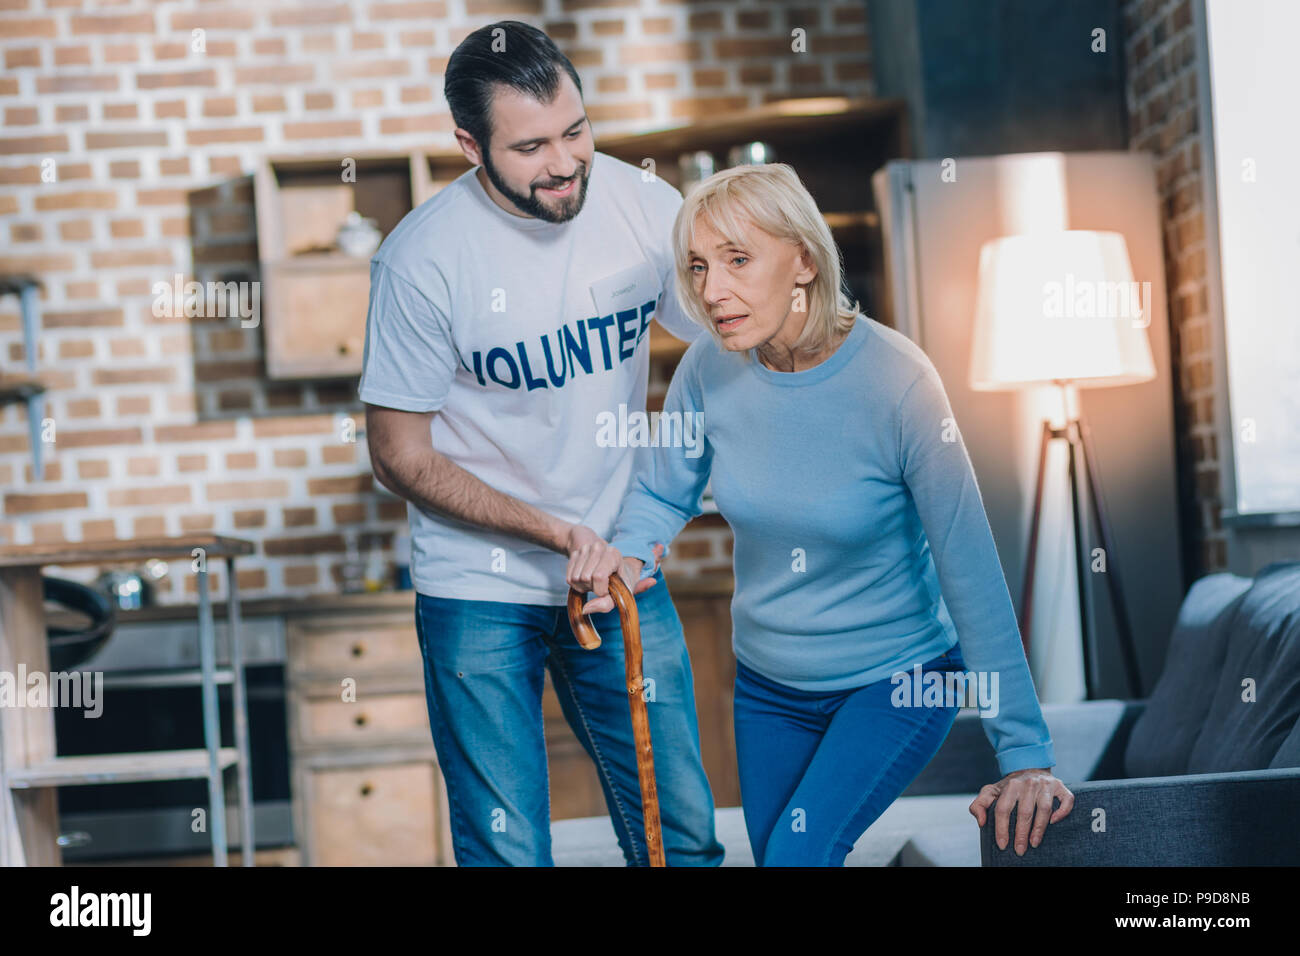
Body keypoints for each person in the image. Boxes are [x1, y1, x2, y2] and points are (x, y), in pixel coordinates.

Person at [565, 162, 1075, 866]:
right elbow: (660, 492)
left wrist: (1024, 753)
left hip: (898, 678)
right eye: (699, 267)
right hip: (768, 686)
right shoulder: (708, 371)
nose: (712, 293)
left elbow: (971, 568)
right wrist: (630, 550)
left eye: (738, 260)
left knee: (795, 858)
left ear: (803, 259)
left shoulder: (899, 383)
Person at [359, 20, 725, 867]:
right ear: (468, 145)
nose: (564, 163)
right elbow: (398, 457)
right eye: (529, 147)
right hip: (475, 586)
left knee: (683, 835)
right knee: (507, 851)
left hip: (621, 569)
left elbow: (725, 343)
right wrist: (558, 533)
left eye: (576, 130)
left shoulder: (643, 207)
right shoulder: (421, 263)